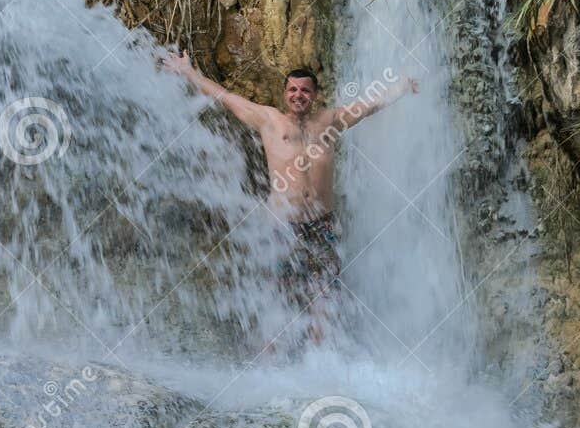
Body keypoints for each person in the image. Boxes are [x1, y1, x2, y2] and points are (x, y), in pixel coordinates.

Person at [161, 52, 419, 341]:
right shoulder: (269, 120)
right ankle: (270, 370)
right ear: (284, 93)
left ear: (315, 95)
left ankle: (322, 366)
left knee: (325, 300)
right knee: (278, 299)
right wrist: (188, 72)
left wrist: (401, 87)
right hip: (282, 227)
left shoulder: (330, 122)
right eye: (293, 90)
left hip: (321, 227)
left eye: (305, 90)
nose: (299, 95)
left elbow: (368, 106)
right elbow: (226, 97)